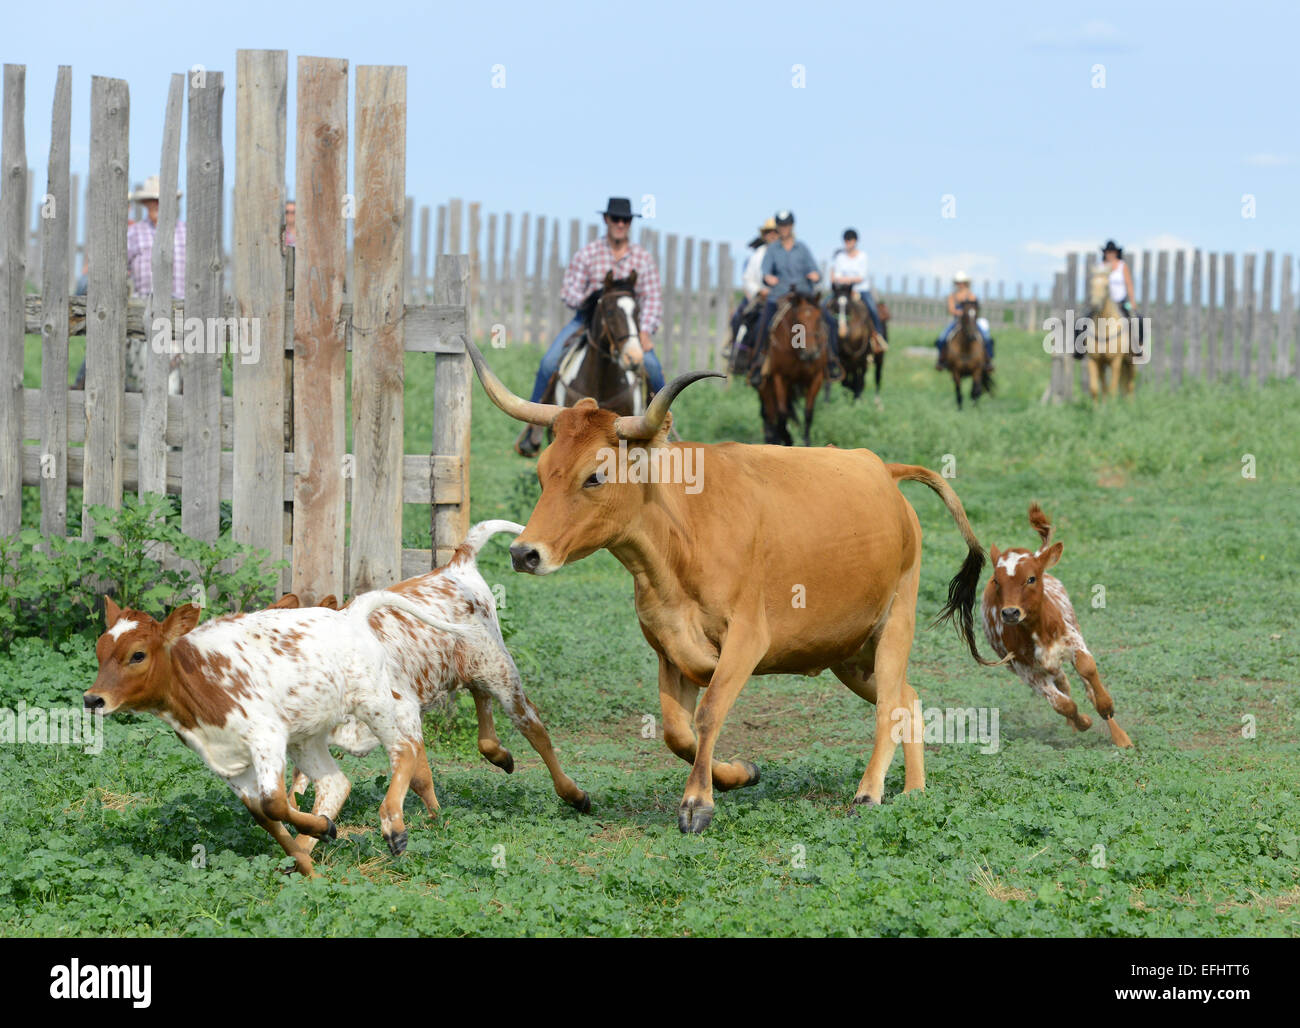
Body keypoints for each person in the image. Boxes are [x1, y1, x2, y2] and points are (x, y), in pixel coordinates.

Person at [516, 196, 664, 457]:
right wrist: (588, 298)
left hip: (628, 328)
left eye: (625, 220)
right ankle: (534, 427)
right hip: (588, 321)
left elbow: (652, 299)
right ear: (606, 220)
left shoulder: (642, 258)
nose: (620, 224)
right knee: (550, 362)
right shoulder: (589, 254)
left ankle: (663, 430)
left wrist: (644, 331)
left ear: (630, 223)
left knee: (652, 367)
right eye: (615, 219)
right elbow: (569, 290)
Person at [750, 210, 837, 385]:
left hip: (803, 296)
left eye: (786, 225)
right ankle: (758, 363)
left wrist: (815, 275)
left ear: (792, 227)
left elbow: (816, 272)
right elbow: (765, 271)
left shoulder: (802, 248)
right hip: (779, 296)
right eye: (781, 226)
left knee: (829, 321)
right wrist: (768, 278)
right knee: (762, 323)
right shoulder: (772, 249)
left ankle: (832, 361)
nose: (784, 229)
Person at [727, 217, 777, 360]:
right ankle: (740, 355)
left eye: (775, 231)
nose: (772, 235)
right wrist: (759, 291)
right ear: (765, 235)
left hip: (780, 298)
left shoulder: (786, 254)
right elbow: (747, 278)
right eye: (769, 232)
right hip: (759, 298)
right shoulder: (758, 255)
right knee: (739, 318)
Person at [828, 228, 885, 339]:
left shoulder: (862, 256)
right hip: (843, 291)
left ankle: (878, 335)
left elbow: (861, 277)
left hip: (861, 289)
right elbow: (837, 276)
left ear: (855, 241)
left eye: (850, 240)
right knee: (826, 305)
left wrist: (845, 280)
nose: (848, 243)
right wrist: (848, 280)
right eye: (846, 241)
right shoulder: (840, 257)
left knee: (872, 308)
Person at [934, 271, 994, 371]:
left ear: (965, 283)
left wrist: (968, 314)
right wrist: (961, 313)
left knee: (986, 337)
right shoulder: (952, 296)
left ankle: (988, 360)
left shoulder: (971, 296)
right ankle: (941, 360)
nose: (959, 284)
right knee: (942, 337)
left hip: (971, 321)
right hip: (957, 322)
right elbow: (951, 309)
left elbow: (975, 309)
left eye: (961, 282)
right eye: (958, 282)